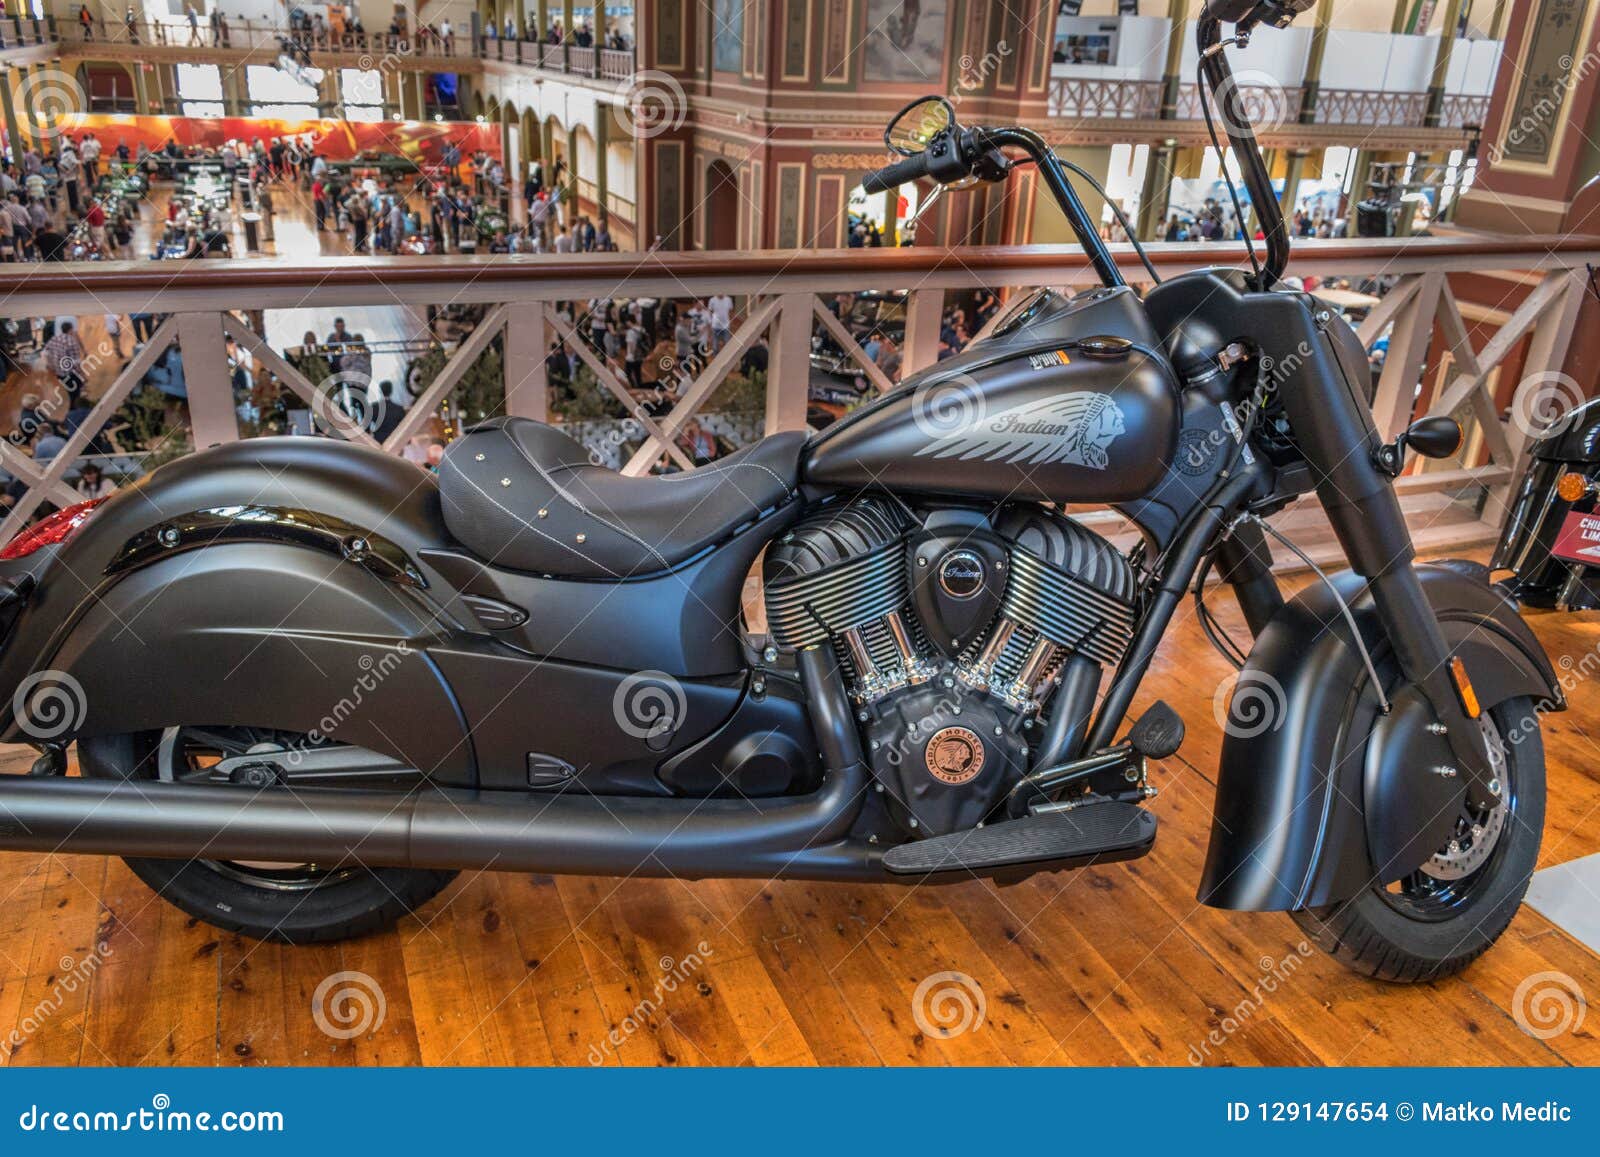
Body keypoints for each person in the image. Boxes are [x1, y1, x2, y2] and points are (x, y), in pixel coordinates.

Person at [44, 320, 87, 396]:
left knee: (64, 391)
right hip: (69, 373)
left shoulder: (55, 338)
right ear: (70, 330)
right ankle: (73, 405)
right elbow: (76, 363)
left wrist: (49, 365)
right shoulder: (72, 342)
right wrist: (83, 375)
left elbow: (45, 353)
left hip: (58, 371)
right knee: (74, 392)